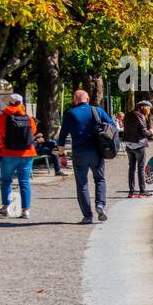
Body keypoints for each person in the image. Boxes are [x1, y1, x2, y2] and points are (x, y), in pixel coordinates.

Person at [57, 88, 114, 224]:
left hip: (79, 153)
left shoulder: (70, 114)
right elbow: (112, 125)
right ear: (87, 100)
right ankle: (100, 204)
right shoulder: (97, 111)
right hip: (96, 151)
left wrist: (61, 155)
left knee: (82, 184)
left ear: (74, 101)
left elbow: (62, 136)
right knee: (99, 179)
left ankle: (88, 216)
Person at [0, 93, 37, 220]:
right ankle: (25, 210)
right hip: (27, 153)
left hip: (8, 153)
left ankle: (6, 207)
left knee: (6, 181)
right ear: (21, 104)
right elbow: (33, 131)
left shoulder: (3, 117)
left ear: (9, 103)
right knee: (24, 182)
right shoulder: (28, 118)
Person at [122, 100, 153, 198]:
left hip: (128, 144)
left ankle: (131, 192)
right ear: (143, 107)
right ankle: (142, 191)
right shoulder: (140, 115)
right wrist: (152, 131)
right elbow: (144, 132)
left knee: (131, 168)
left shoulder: (127, 115)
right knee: (140, 168)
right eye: (148, 108)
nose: (149, 111)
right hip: (138, 145)